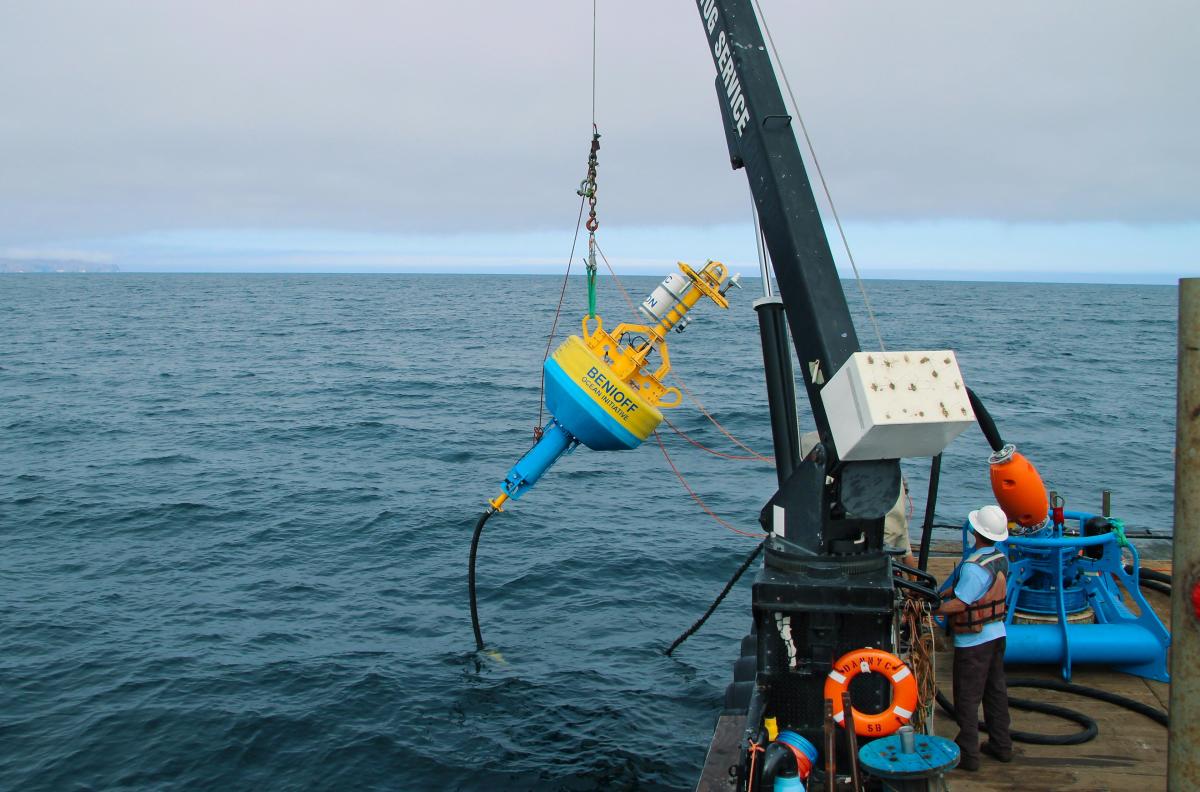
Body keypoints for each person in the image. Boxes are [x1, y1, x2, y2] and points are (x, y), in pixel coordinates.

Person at [934, 504, 1013, 771]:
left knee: (967, 698)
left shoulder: (972, 566)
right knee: (995, 692)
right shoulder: (1000, 558)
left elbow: (961, 604)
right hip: (997, 634)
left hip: (973, 642)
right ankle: (1002, 745)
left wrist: (931, 608)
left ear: (975, 533)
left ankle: (968, 753)